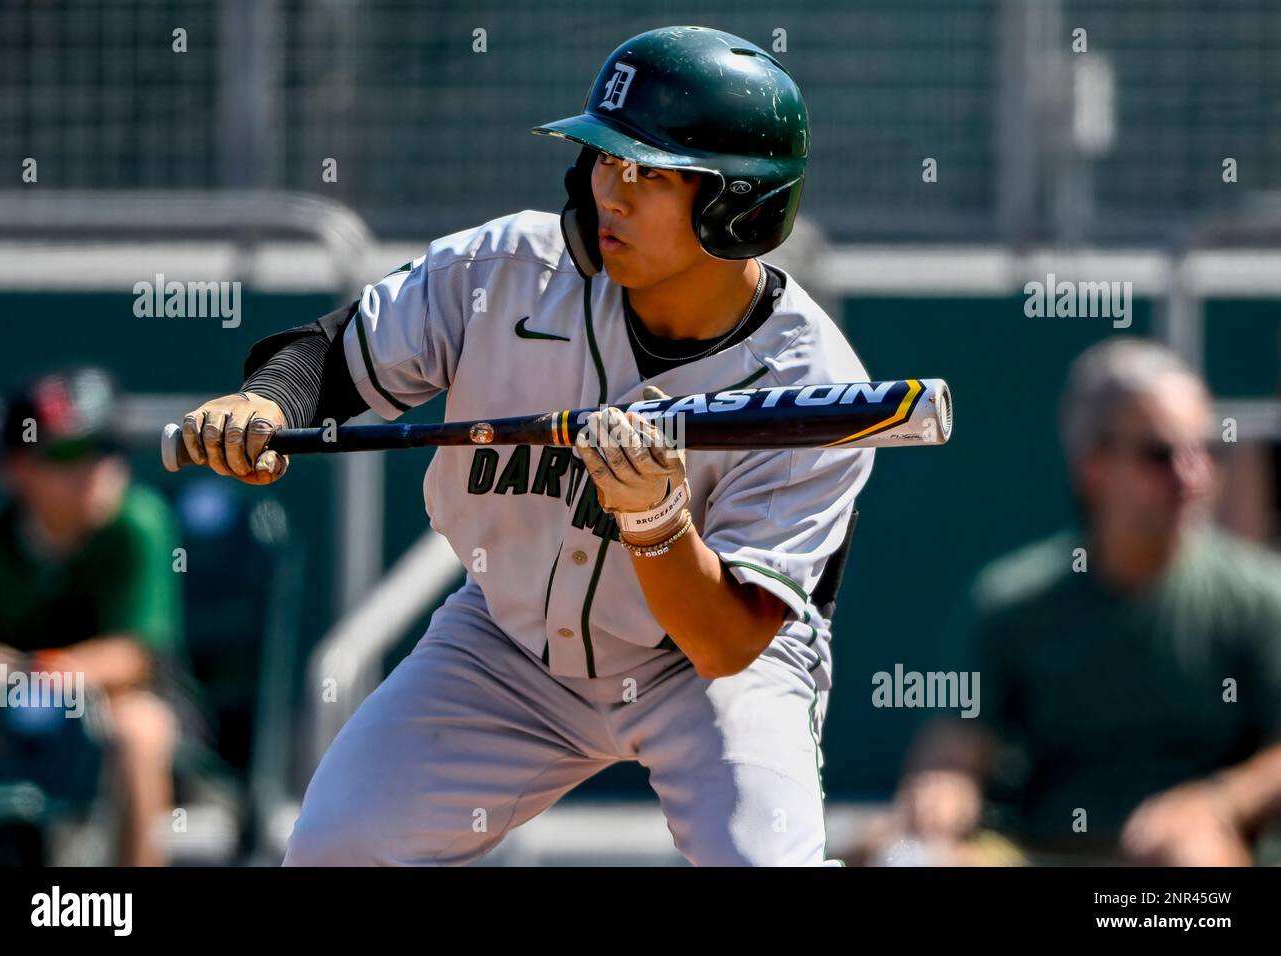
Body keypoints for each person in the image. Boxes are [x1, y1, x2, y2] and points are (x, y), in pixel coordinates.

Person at [183, 26, 875, 865]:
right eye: (602, 158)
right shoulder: (507, 268)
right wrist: (263, 402)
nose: (607, 192)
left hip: (706, 677)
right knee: (337, 849)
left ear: (738, 205)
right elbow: (334, 351)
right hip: (509, 641)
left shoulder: (812, 382)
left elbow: (726, 643)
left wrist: (654, 518)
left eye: (647, 173)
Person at [880, 338, 1281, 865]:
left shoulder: (1257, 596)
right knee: (906, 858)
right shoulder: (1012, 601)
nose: (1193, 476)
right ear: (1094, 466)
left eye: (1205, 449)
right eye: (1160, 454)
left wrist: (1213, 804)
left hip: (1188, 857)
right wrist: (939, 795)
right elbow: (955, 748)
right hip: (1036, 848)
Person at [0, 367, 184, 866]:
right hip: (8, 718)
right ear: (15, 468)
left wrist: (31, 669)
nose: (94, 469)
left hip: (123, 708)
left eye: (106, 449)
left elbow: (135, 657)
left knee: (141, 731)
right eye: (67, 454)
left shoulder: (138, 523)